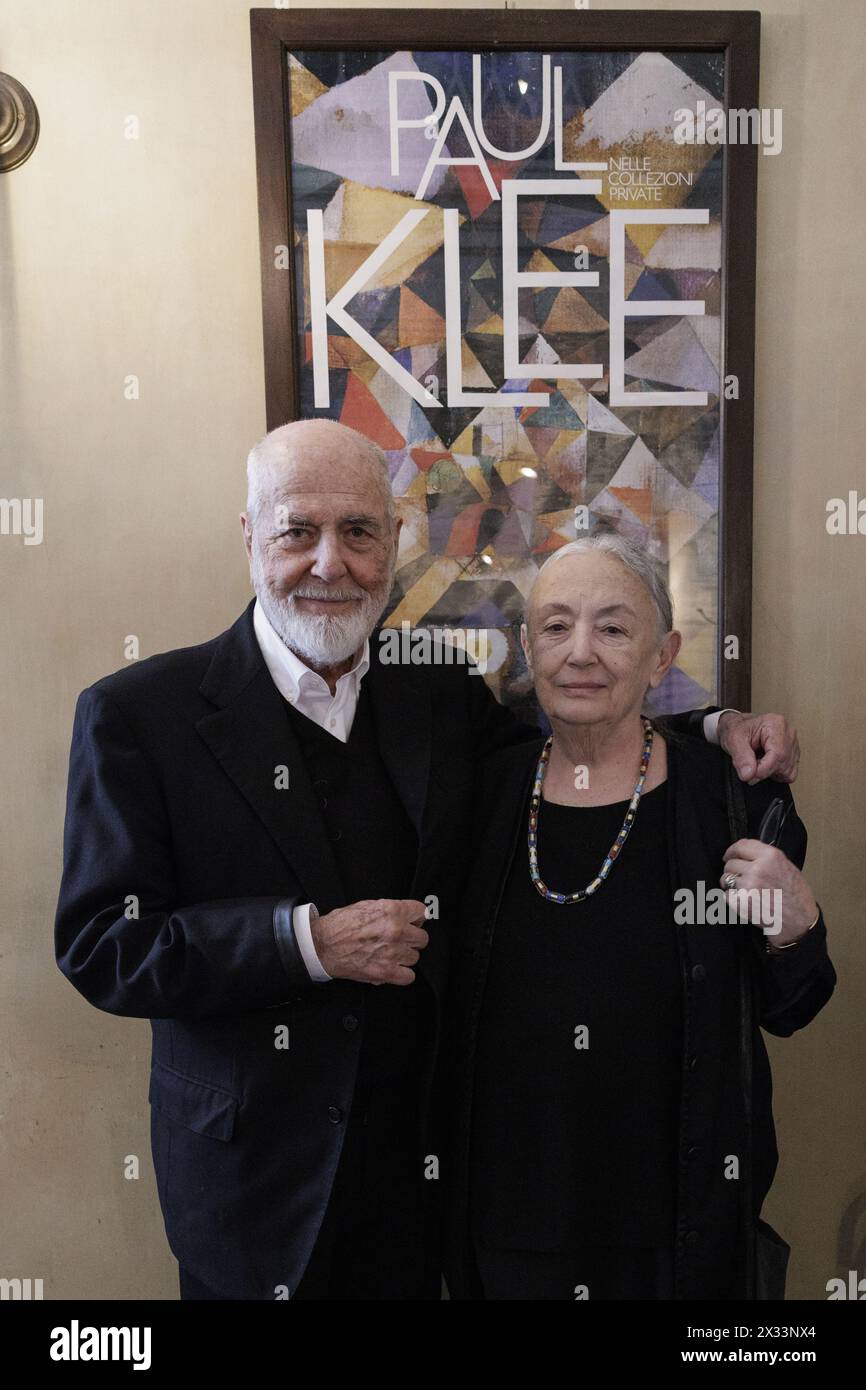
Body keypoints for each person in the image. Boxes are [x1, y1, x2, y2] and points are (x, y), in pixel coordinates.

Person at [55, 419, 801, 1300]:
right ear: (250, 537)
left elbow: (581, 713)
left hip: (420, 1193)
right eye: (299, 530)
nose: (330, 563)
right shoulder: (140, 715)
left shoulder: (435, 690)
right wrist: (304, 943)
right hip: (253, 1196)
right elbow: (102, 944)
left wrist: (717, 729)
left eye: (359, 532)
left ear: (396, 544)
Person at [445, 534, 835, 1301]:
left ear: (663, 655)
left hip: (680, 1230)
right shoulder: (476, 795)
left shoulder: (734, 799)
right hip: (508, 1223)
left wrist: (796, 925)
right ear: (528, 649)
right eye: (555, 626)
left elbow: (795, 1007)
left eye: (614, 628)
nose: (580, 652)